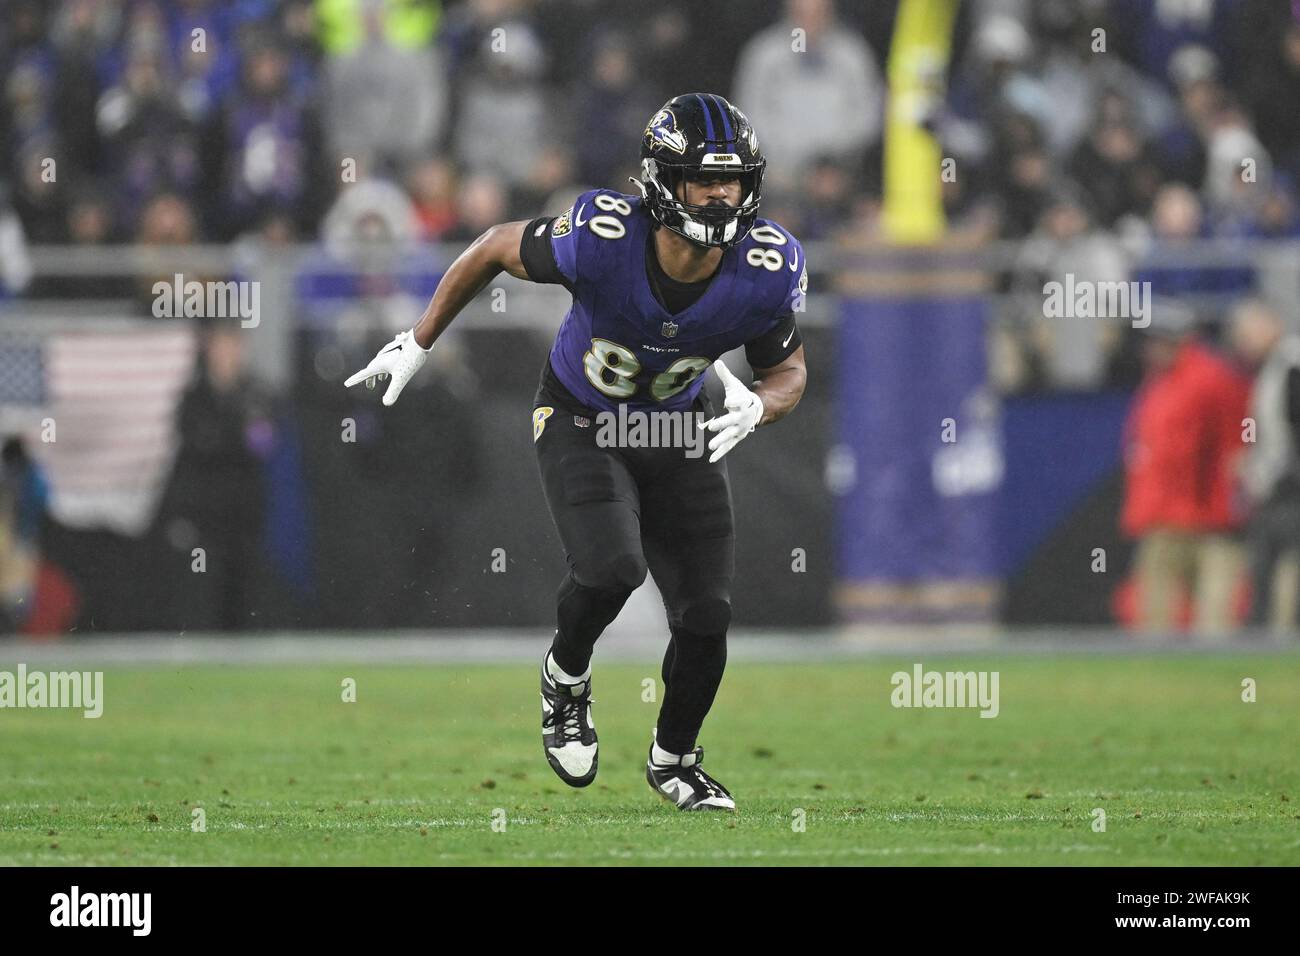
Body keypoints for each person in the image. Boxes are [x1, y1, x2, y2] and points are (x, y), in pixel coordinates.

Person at [346, 93, 808, 810]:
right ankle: (565, 678)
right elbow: (495, 246)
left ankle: (675, 760)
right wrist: (419, 340)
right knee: (612, 568)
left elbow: (787, 370)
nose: (722, 195)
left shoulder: (767, 264)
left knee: (707, 616)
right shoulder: (604, 235)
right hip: (583, 418)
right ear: (662, 181)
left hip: (678, 430)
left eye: (734, 180)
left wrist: (762, 404)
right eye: (703, 179)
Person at [1121, 305, 1250, 635]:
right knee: (1155, 617)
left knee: (1215, 619)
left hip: (1206, 515)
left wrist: (1227, 502)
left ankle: (1227, 682)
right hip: (1164, 514)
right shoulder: (1159, 381)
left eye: (1158, 340)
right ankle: (1157, 681)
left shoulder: (1210, 379)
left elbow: (1236, 441)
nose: (1150, 349)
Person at [1231, 299, 1300, 631]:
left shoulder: (1291, 363)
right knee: (1264, 575)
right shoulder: (1273, 367)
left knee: (1275, 575)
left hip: (1289, 491)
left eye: (1247, 333)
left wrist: (1282, 474)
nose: (1241, 343)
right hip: (1276, 488)